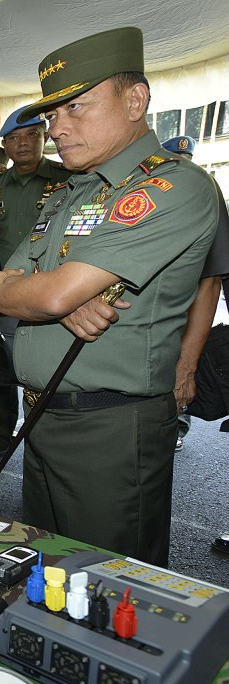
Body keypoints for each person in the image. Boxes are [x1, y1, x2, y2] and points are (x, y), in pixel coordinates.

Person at [0, 27, 218, 565]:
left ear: (136, 101)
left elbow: (49, 291)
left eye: (75, 108)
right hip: (41, 415)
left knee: (109, 583)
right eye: (50, 116)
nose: (55, 129)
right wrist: (50, 293)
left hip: (110, 426)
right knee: (48, 572)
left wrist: (51, 291)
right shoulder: (69, 190)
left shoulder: (171, 187)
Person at [0, 108, 72, 465]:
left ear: (43, 137)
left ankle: (44, 442)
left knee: (46, 371)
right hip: (7, 296)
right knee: (1, 373)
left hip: (53, 293)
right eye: (14, 139)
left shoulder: (68, 178)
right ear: (4, 145)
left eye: (30, 135)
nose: (22, 144)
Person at [159, 135, 229, 453]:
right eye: (177, 160)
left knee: (184, 366)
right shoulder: (154, 196)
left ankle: (178, 423)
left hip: (192, 302)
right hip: (161, 304)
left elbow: (214, 271)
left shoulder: (206, 196)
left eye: (187, 161)